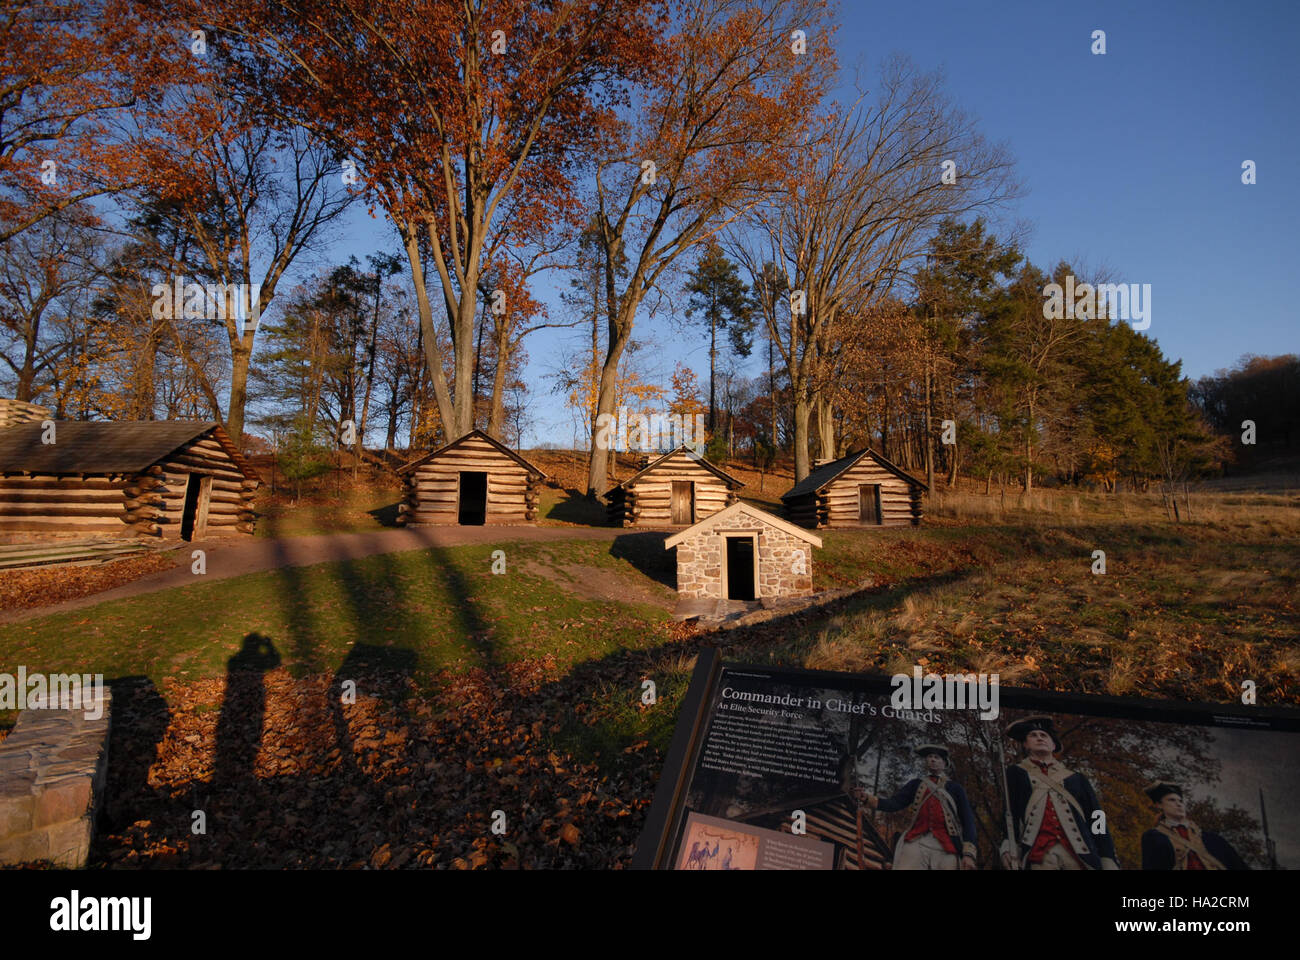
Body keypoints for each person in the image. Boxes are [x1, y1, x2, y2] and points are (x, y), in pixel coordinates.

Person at [999, 715, 1119, 871]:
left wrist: (1107, 856)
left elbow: (1096, 817)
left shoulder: (1076, 778)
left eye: (1044, 735)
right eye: (1033, 736)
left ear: (1053, 745)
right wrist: (1008, 844)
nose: (1039, 738)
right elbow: (1010, 812)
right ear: (1026, 744)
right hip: (1039, 854)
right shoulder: (1016, 773)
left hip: (1080, 854)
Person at [854, 744, 977, 870]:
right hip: (917, 840)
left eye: (937, 757)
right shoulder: (915, 784)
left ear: (945, 763)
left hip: (947, 845)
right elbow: (894, 804)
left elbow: (968, 821)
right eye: (930, 757)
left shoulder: (956, 789)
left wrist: (969, 854)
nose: (932, 760)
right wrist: (867, 798)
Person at [1140, 781, 1249, 870]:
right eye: (1172, 800)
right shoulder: (1153, 837)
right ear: (1159, 805)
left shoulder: (1212, 838)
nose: (1178, 804)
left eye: (1180, 801)